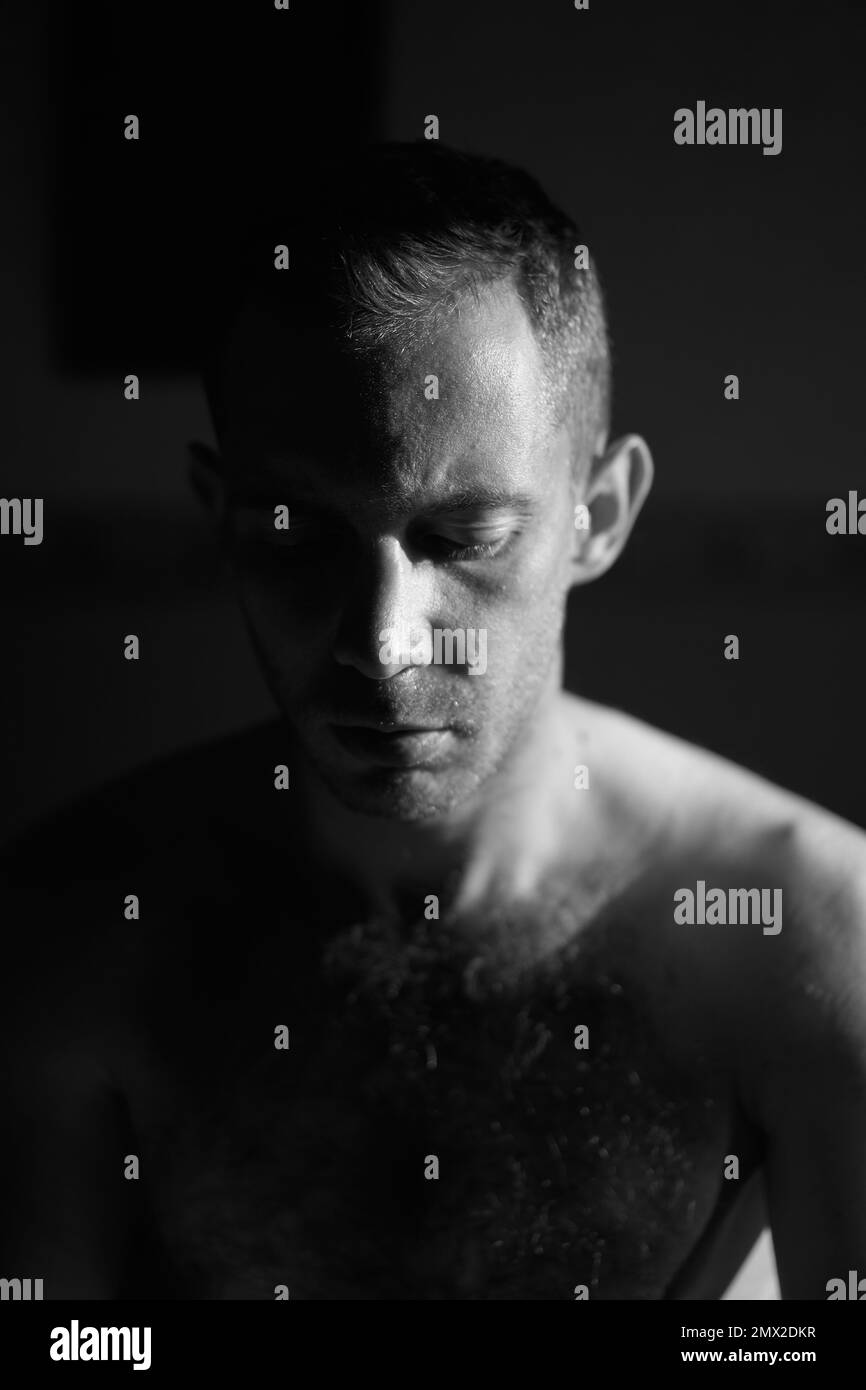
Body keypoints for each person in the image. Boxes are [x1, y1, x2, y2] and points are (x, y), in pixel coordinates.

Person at [2, 142, 865, 1300]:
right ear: (220, 518)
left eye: (462, 539)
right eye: (296, 537)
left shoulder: (808, 941)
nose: (385, 641)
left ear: (597, 516)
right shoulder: (69, 940)